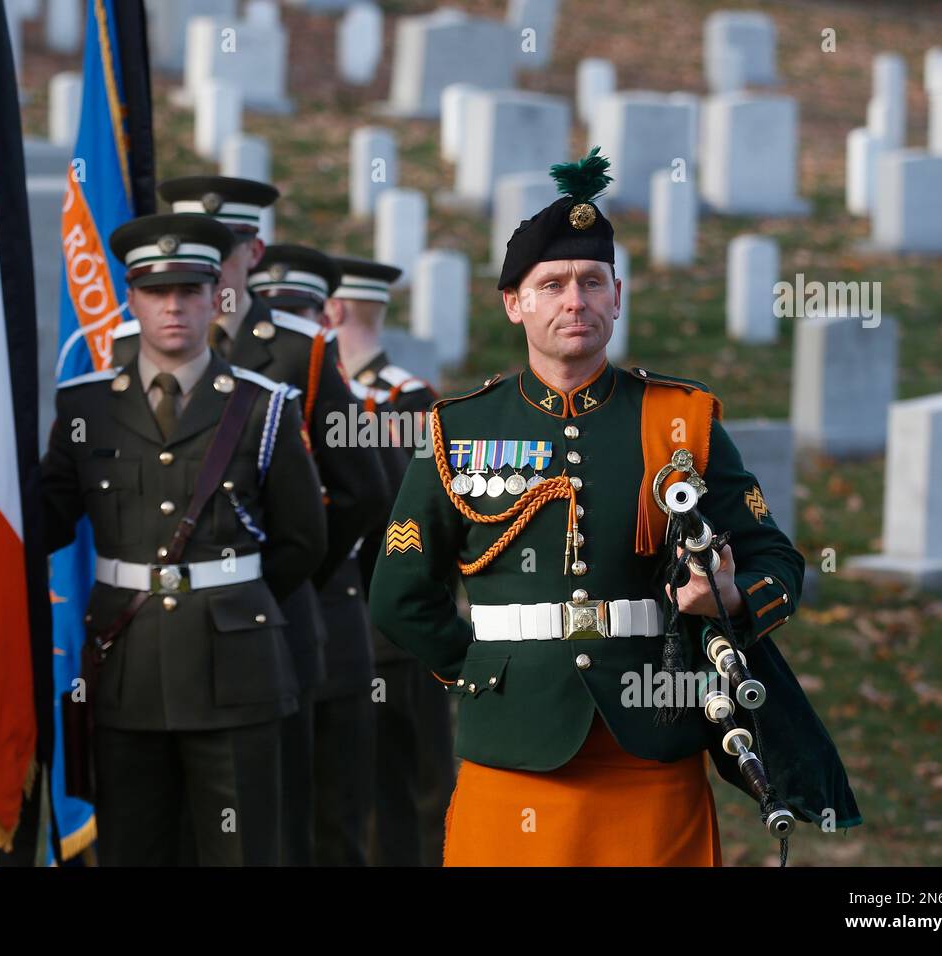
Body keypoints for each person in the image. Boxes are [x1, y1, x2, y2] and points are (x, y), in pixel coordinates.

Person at [368, 148, 862, 866]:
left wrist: (730, 595)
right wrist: (481, 673)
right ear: (515, 303)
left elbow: (777, 560)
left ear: (618, 296)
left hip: (652, 746)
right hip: (512, 749)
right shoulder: (459, 429)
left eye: (593, 282)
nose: (577, 300)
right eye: (555, 284)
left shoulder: (680, 420)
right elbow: (398, 595)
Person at [41, 212, 327, 866]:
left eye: (190, 290)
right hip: (127, 669)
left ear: (214, 298)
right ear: (132, 298)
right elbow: (48, 520)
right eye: (155, 290)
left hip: (237, 674)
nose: (173, 306)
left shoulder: (262, 405)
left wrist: (231, 606)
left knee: (241, 851)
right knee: (133, 852)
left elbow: (303, 540)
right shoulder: (86, 408)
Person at [157, 176, 389, 865]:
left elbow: (361, 490)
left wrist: (277, 577)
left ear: (252, 251)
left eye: (216, 251)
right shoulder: (136, 349)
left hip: (273, 627)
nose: (199, 268)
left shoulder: (299, 351)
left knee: (276, 833)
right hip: (164, 635)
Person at [323, 255, 455, 867]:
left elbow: (408, 521)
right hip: (352, 629)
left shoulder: (401, 401)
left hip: (393, 633)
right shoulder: (398, 400)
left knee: (411, 794)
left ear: (334, 311)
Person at [250, 244, 379, 866]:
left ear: (324, 316)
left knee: (333, 820)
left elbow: (372, 500)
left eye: (300, 309)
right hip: (251, 619)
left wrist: (308, 565)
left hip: (330, 606)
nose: (290, 323)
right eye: (276, 309)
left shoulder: (331, 381)